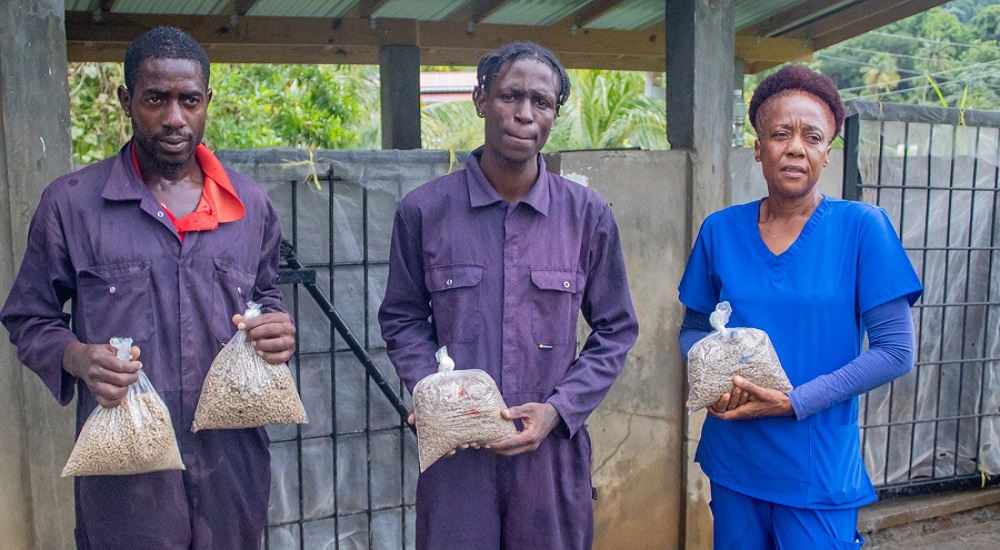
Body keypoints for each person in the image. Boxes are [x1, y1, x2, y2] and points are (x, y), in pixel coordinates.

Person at [0, 26, 295, 549]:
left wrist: (276, 329)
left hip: (232, 468)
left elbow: (265, 297)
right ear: (126, 101)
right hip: (128, 476)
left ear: (208, 101)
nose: (175, 117)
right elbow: (29, 317)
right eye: (156, 99)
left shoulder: (249, 204)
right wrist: (77, 357)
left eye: (189, 100)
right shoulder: (71, 205)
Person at [378, 41, 639, 550]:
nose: (524, 114)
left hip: (551, 454)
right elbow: (402, 319)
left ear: (555, 114)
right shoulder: (424, 211)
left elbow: (616, 329)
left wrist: (560, 410)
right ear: (480, 100)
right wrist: (434, 396)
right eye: (509, 96)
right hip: (457, 458)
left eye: (541, 102)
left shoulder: (587, 216)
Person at [677, 65, 923, 549]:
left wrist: (795, 401)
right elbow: (692, 328)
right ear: (757, 146)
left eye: (812, 136)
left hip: (817, 463)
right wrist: (715, 378)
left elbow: (896, 350)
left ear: (828, 153)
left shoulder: (862, 228)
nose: (795, 147)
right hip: (735, 456)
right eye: (780, 134)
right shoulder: (720, 231)